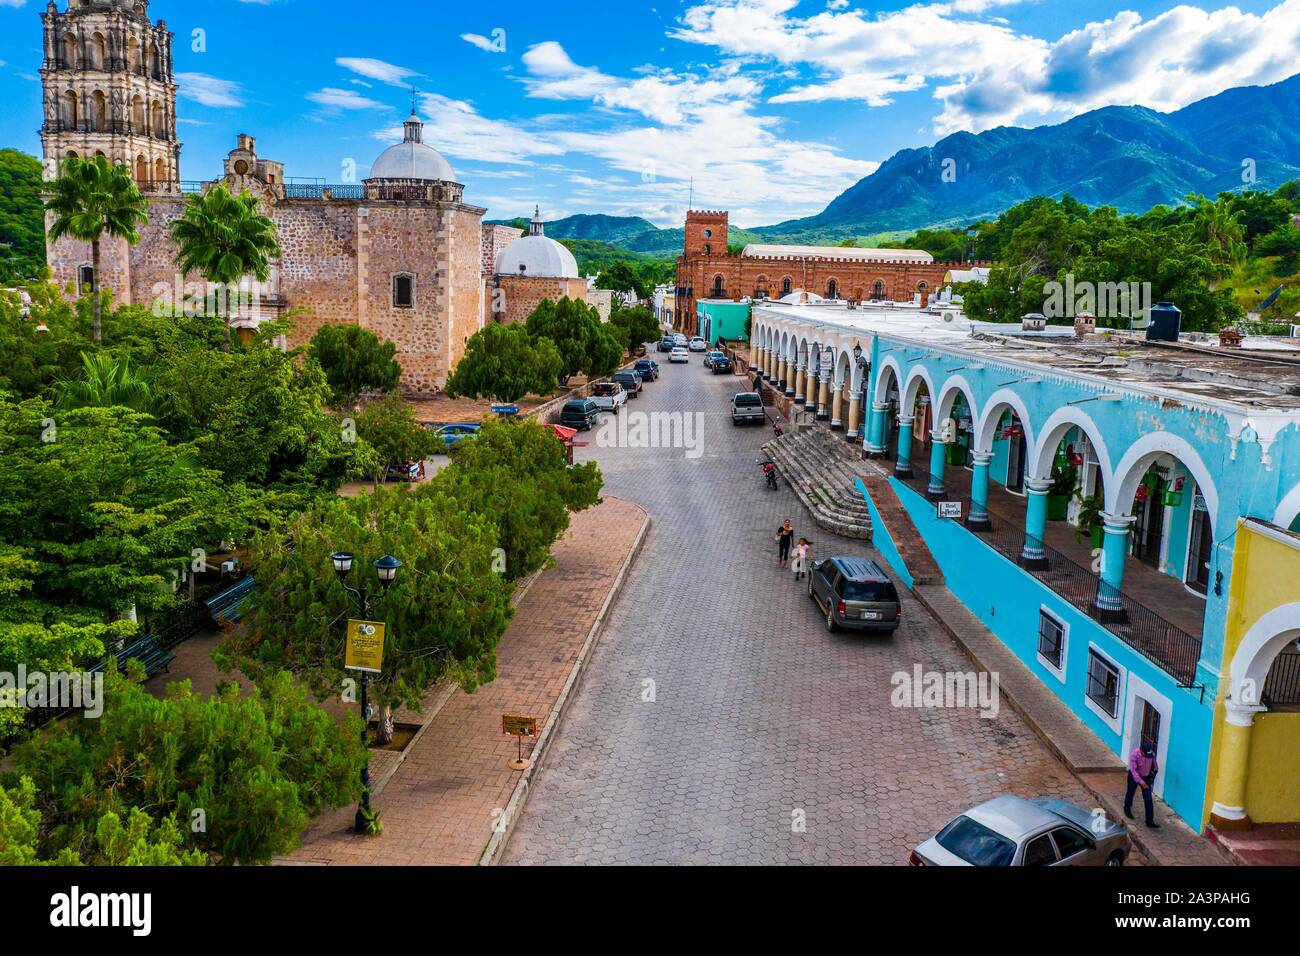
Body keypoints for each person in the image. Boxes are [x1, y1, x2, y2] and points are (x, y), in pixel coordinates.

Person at [1123, 740, 1160, 829]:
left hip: (1146, 777)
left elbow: (1154, 762)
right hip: (1134, 777)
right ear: (1141, 751)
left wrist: (1155, 767)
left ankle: (1149, 821)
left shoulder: (1151, 754)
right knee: (1130, 793)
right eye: (1146, 754)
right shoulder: (1134, 755)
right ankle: (1127, 809)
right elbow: (1134, 771)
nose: (1148, 756)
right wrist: (1141, 782)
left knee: (1148, 799)